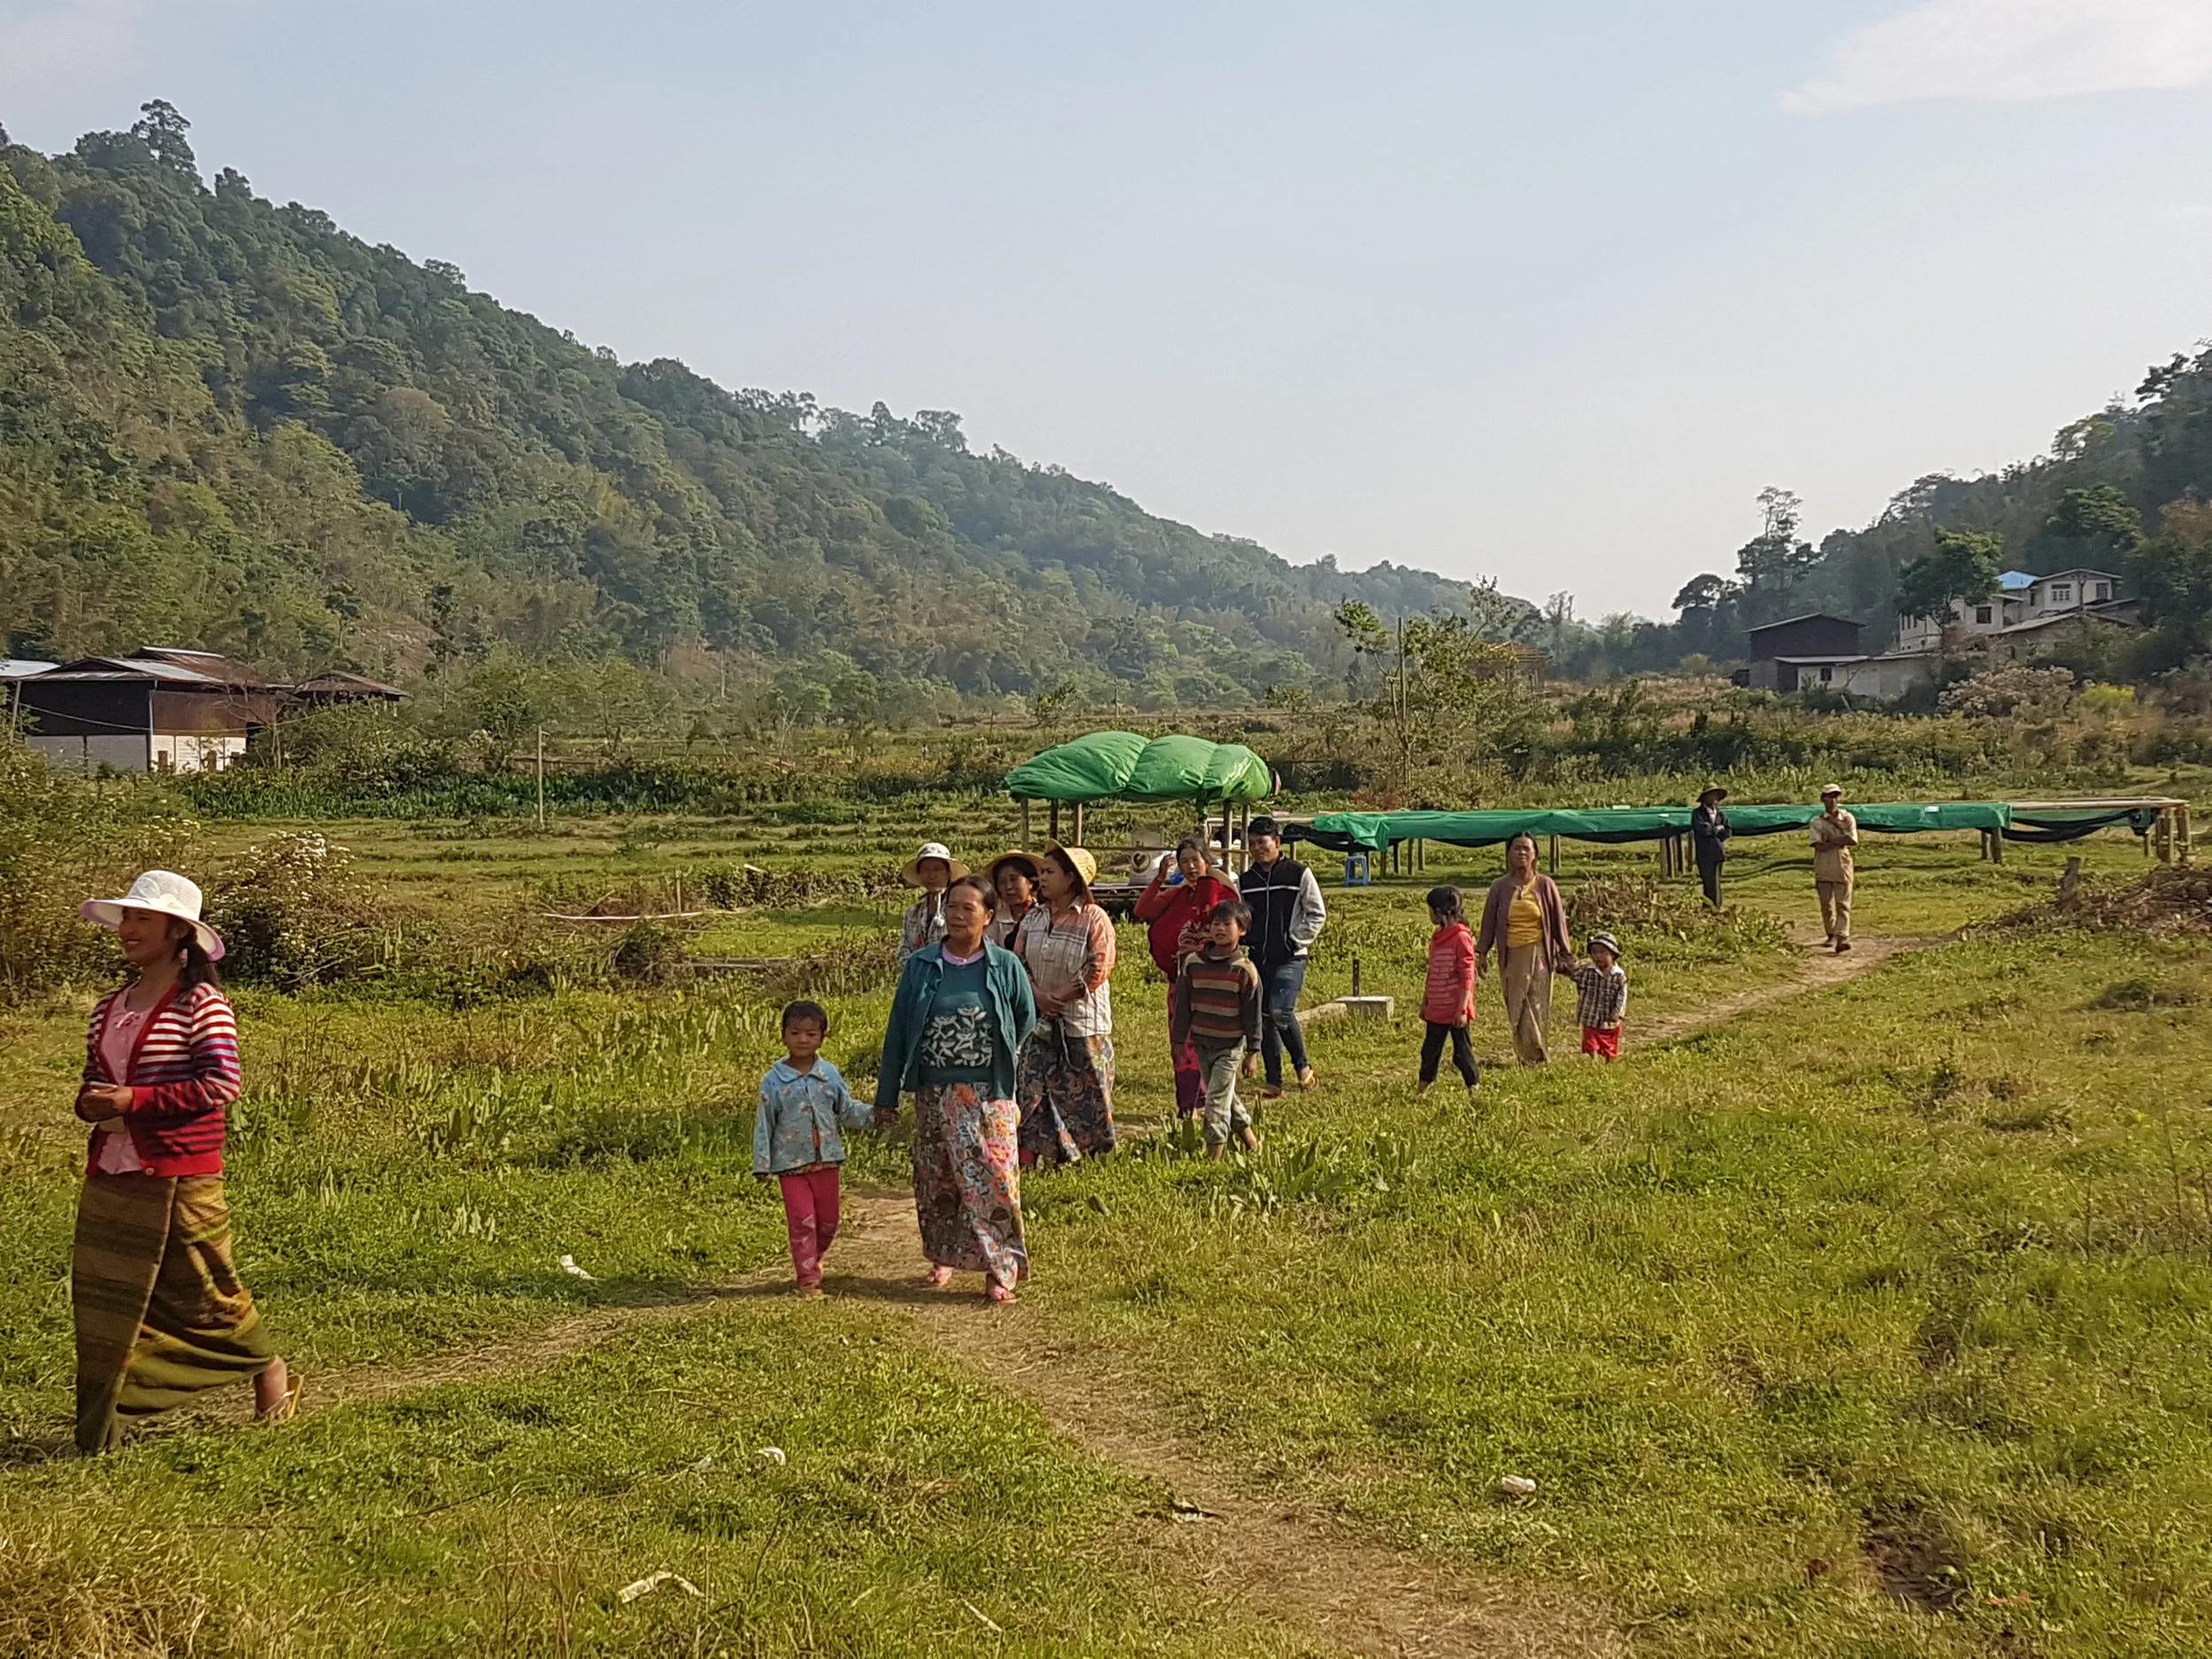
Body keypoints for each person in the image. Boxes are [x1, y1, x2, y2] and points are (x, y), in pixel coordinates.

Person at [71, 870, 296, 1454]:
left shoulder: (203, 1004)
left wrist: (135, 1101)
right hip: (112, 1170)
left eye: (142, 918)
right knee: (106, 1296)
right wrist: (91, 1101)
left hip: (181, 1172)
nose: (128, 928)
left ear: (177, 932)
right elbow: (95, 1078)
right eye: (126, 917)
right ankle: (103, 1426)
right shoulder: (109, 1007)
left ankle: (265, 1365)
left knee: (205, 1289)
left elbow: (221, 1084)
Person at [876, 875, 1038, 1302]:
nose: (958, 915)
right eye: (951, 907)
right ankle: (946, 1254)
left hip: (989, 1093)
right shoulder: (922, 965)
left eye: (969, 908)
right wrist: (886, 1097)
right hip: (934, 1092)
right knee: (940, 1181)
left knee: (996, 1181)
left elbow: (1024, 1018)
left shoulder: (1005, 966)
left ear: (989, 916)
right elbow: (898, 1032)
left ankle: (1001, 1269)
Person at [754, 1001, 872, 1297]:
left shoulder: (829, 1075)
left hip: (827, 1162)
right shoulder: (774, 1081)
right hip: (790, 1166)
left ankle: (815, 1258)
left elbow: (847, 1110)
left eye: (811, 1034)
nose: (803, 1040)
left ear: (821, 1038)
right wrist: (762, 1163)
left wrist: (876, 1115)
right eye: (795, 1033)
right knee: (802, 1221)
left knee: (829, 1222)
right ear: (783, 1036)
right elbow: (764, 1123)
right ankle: (807, 1278)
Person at [1012, 845, 1118, 1165]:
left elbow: (1099, 965)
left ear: (1071, 878)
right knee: (1033, 1088)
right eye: (1041, 872)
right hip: (1040, 1019)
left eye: (1050, 872)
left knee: (1090, 1091)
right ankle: (1040, 1155)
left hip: (1083, 1022)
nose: (1042, 878)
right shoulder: (1034, 917)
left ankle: (1098, 1157)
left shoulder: (1094, 918)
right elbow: (1018, 962)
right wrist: (1039, 996)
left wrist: (1060, 996)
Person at [1133, 836, 1237, 1120]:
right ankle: (1189, 1104)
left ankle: (1212, 1102)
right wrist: (1159, 879)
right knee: (1182, 1042)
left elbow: (1234, 926)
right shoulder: (1179, 894)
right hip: (1180, 983)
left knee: (1211, 1041)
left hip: (1213, 983)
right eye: (1184, 862)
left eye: (1195, 860)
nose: (1190, 867)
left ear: (1206, 860)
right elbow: (1143, 911)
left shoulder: (1222, 892)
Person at [1238, 816, 1326, 1097]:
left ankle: (1303, 1067)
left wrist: (1295, 940)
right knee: (1264, 1018)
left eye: (1262, 843)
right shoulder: (1246, 881)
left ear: (1276, 842)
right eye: (1252, 844)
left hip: (1291, 958)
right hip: (1258, 957)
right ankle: (1274, 1081)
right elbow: (1242, 917)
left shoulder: (1298, 873)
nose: (1257, 848)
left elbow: (1317, 913)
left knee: (1281, 1011)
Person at [1170, 900, 1263, 1159]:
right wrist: (1178, 1041)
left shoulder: (1245, 970)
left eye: (1227, 924)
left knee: (1215, 1102)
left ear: (1242, 930)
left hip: (1230, 1047)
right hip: (1202, 1043)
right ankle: (1252, 1142)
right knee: (1224, 1095)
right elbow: (1183, 1007)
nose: (1219, 929)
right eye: (1215, 924)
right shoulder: (1193, 963)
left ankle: (1214, 1159)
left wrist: (1253, 1052)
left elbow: (1253, 1016)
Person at [1475, 832, 1572, 1065]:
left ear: (1535, 855)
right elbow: (1488, 922)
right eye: (1516, 848)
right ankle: (1526, 1054)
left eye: (1526, 849)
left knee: (1537, 1003)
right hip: (1511, 954)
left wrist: (1565, 952)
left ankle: (1537, 1055)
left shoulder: (1545, 885)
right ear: (1508, 854)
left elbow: (1558, 921)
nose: (1521, 853)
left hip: (1539, 953)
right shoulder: (1499, 887)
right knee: (1517, 1004)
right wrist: (1482, 952)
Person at [1418, 885, 1479, 1095]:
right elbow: (1432, 971)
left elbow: (1467, 975)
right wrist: (1425, 1001)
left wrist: (1462, 1008)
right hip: (1437, 1006)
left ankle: (1474, 1088)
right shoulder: (1437, 938)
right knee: (1429, 1051)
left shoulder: (1461, 938)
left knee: (1462, 1052)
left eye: (1430, 910)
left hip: (1455, 1007)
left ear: (1440, 912)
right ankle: (1423, 1088)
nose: (1429, 915)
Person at [899, 841, 968, 964]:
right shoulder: (912, 913)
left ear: (948, 873)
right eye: (925, 870)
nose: (931, 876)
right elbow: (904, 948)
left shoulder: (959, 910)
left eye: (937, 869)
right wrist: (915, 968)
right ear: (919, 874)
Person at [1810, 785, 1859, 953]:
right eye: (1829, 796)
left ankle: (1842, 936)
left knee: (1843, 903)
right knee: (1826, 904)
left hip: (1842, 864)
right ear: (1823, 799)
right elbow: (1818, 844)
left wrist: (1830, 839)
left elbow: (1852, 840)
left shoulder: (1847, 817)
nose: (1832, 800)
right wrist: (1839, 839)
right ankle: (1831, 933)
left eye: (1835, 796)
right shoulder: (1817, 821)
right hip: (1823, 865)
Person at [1569, 933, 1628, 1060]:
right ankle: (1594, 1061)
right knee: (1590, 1041)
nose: (1598, 956)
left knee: (1609, 1044)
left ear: (1613, 955)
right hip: (1590, 1015)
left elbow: (1622, 996)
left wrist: (1618, 1012)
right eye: (1594, 952)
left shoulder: (1619, 976)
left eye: (1602, 952)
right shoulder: (1586, 970)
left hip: (1608, 1018)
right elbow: (1572, 972)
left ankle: (1609, 1061)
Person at [984, 850, 1040, 949]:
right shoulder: (995, 919)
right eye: (1002, 882)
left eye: (1014, 879)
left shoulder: (1043, 914)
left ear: (1031, 882)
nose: (1008, 886)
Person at [1691, 786, 1731, 908]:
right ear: (1705, 797)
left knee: (1716, 882)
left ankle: (1712, 907)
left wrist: (1716, 831)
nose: (1714, 798)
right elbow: (1703, 830)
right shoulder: (1697, 813)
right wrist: (1717, 829)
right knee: (1709, 882)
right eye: (1711, 795)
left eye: (1716, 795)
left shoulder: (1721, 814)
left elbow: (1728, 831)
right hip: (1704, 854)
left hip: (1718, 852)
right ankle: (1713, 907)